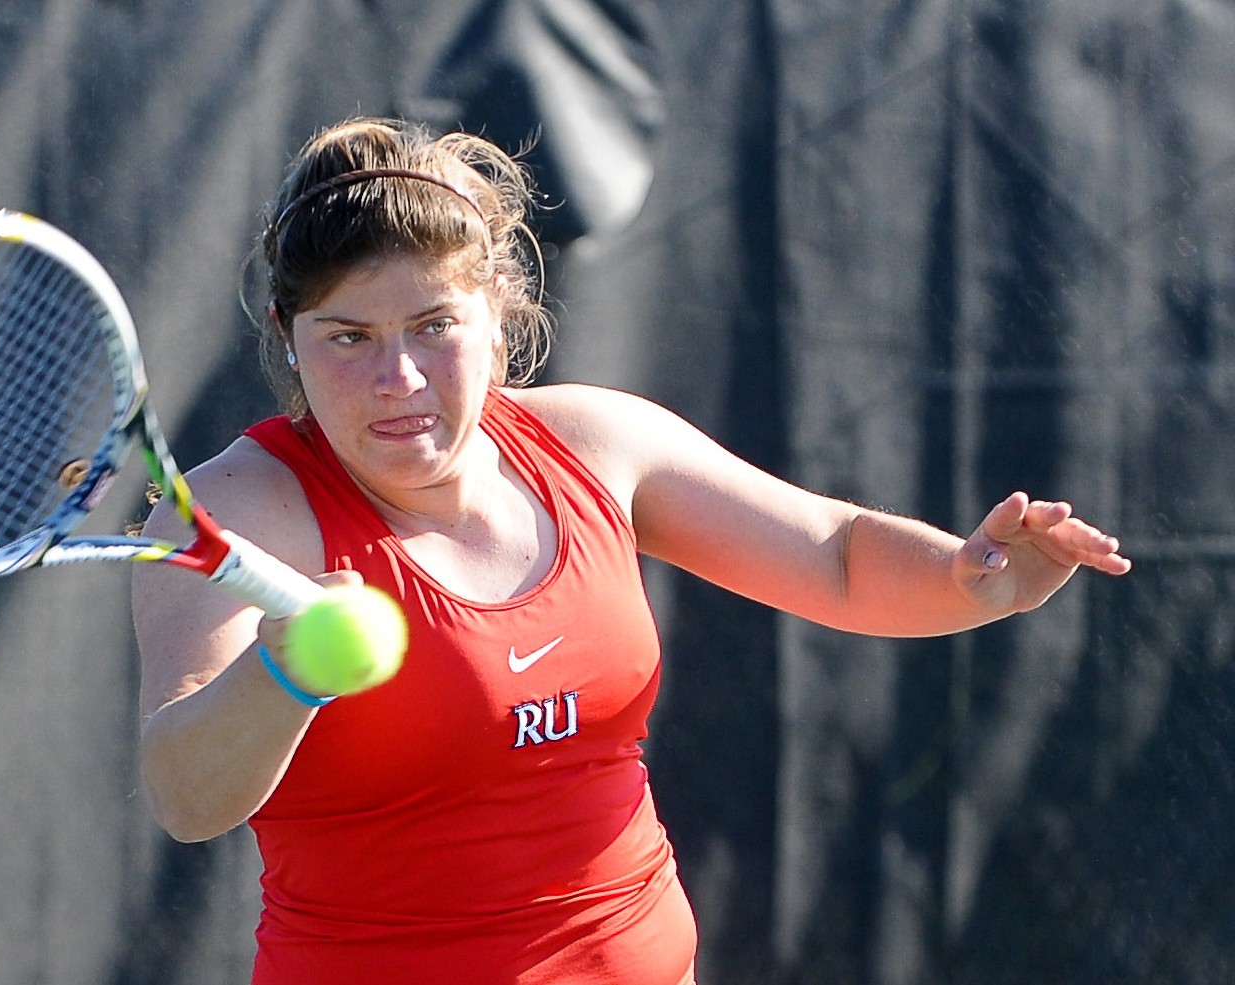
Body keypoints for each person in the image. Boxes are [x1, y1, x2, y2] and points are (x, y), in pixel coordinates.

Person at [131, 117, 1131, 985]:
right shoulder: (228, 514)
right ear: (288, 335)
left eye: (433, 325)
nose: (396, 375)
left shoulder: (596, 441)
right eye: (346, 337)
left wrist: (976, 578)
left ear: (497, 313)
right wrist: (286, 670)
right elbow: (186, 796)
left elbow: (836, 557)